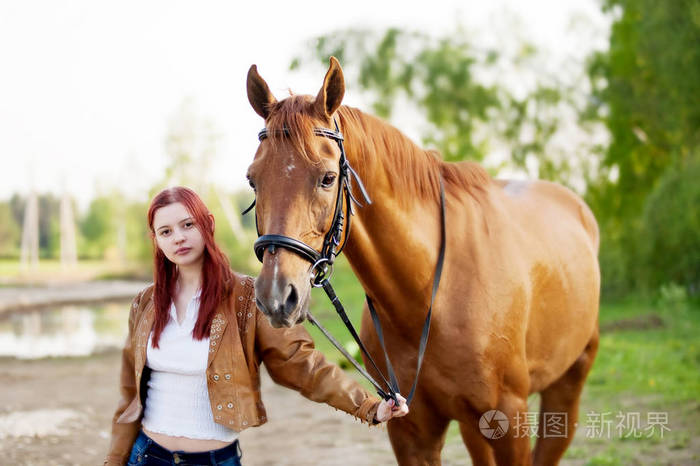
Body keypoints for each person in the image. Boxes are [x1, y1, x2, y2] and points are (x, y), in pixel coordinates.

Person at [104, 186, 408, 466]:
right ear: (156, 240)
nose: (178, 238)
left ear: (207, 223)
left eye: (187, 225)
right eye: (165, 231)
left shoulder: (247, 298)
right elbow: (129, 398)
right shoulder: (146, 304)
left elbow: (301, 363)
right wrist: (115, 460)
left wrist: (370, 407)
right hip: (147, 456)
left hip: (215, 459)